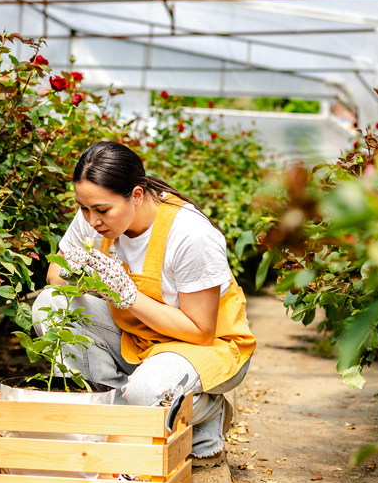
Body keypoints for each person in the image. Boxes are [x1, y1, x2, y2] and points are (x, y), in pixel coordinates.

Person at [32, 141, 255, 459]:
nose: (91, 220)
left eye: (102, 210)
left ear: (136, 195)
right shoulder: (96, 216)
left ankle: (205, 410)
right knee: (51, 305)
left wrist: (127, 295)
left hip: (206, 346)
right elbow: (55, 275)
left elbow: (201, 331)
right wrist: (80, 276)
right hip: (139, 336)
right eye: (84, 208)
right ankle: (121, 412)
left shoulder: (190, 235)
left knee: (146, 393)